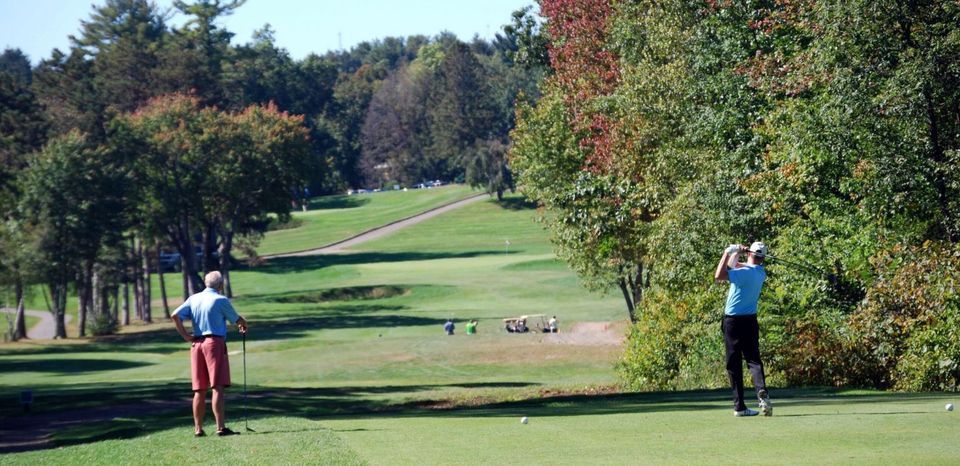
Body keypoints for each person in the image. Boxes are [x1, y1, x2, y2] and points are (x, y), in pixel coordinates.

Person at [172, 271, 248, 436]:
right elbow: (236, 320)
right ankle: (220, 427)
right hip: (214, 343)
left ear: (206, 283)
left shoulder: (194, 298)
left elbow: (175, 315)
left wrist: (187, 337)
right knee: (217, 387)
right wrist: (244, 323)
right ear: (220, 285)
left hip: (196, 344)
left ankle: (198, 429)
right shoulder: (220, 300)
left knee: (199, 390)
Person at [714, 242, 772, 417]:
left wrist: (728, 252)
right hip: (750, 321)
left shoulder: (743, 273)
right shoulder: (760, 273)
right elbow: (736, 265)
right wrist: (738, 252)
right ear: (762, 258)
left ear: (750, 254)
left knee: (734, 363)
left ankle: (739, 407)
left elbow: (719, 275)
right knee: (753, 360)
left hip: (732, 321)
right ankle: (761, 391)